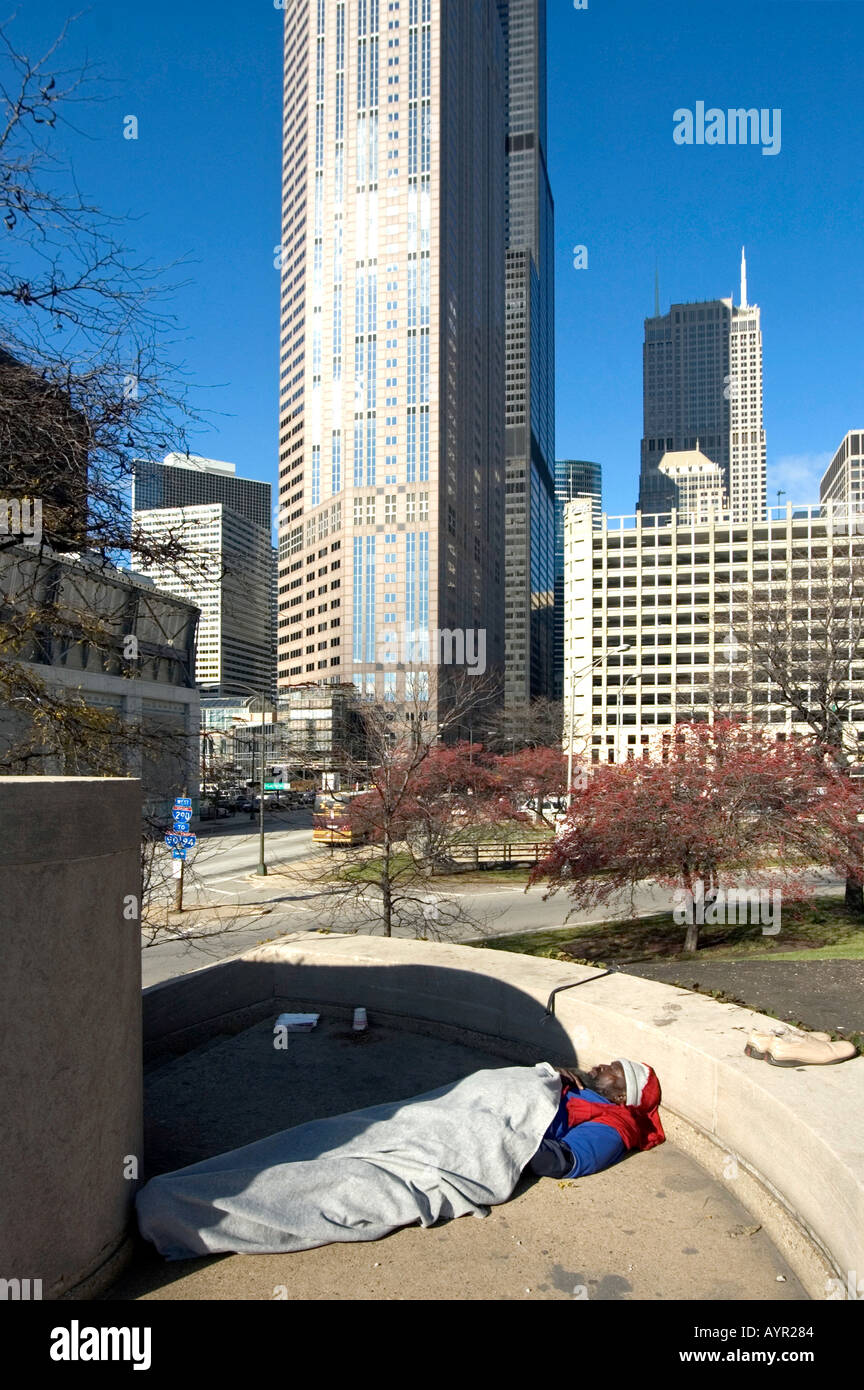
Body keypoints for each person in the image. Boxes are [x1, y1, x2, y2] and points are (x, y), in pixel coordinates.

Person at [527, 1058, 664, 1180]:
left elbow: (562, 1159)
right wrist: (547, 1074)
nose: (601, 1066)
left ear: (620, 1097)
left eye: (612, 1070)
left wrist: (513, 1142)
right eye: (609, 1064)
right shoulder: (571, 1081)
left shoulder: (615, 1122)